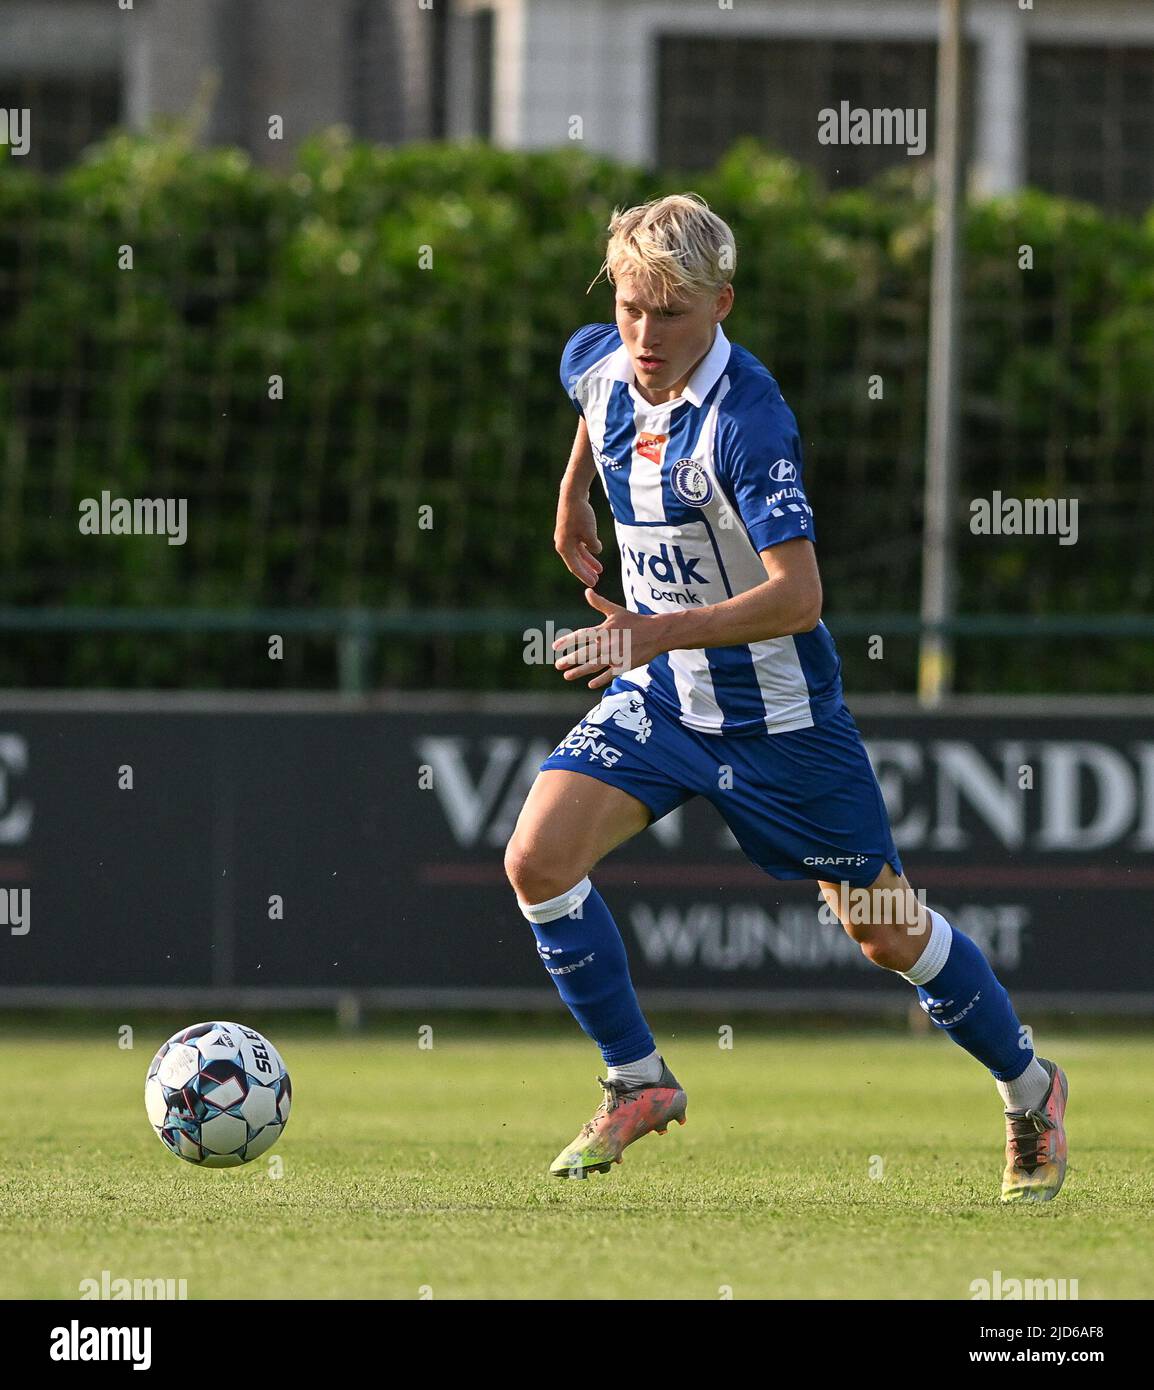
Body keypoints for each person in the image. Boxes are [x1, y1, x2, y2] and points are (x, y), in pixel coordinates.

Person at [503, 193, 1067, 1200]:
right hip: (665, 702)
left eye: (670, 314)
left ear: (721, 304)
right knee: (536, 859)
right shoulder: (602, 359)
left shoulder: (747, 421)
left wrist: (652, 628)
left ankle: (1030, 1088)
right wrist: (571, 491)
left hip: (780, 723)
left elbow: (798, 597)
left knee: (885, 929)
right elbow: (588, 394)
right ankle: (637, 1079)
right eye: (630, 307)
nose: (644, 335)